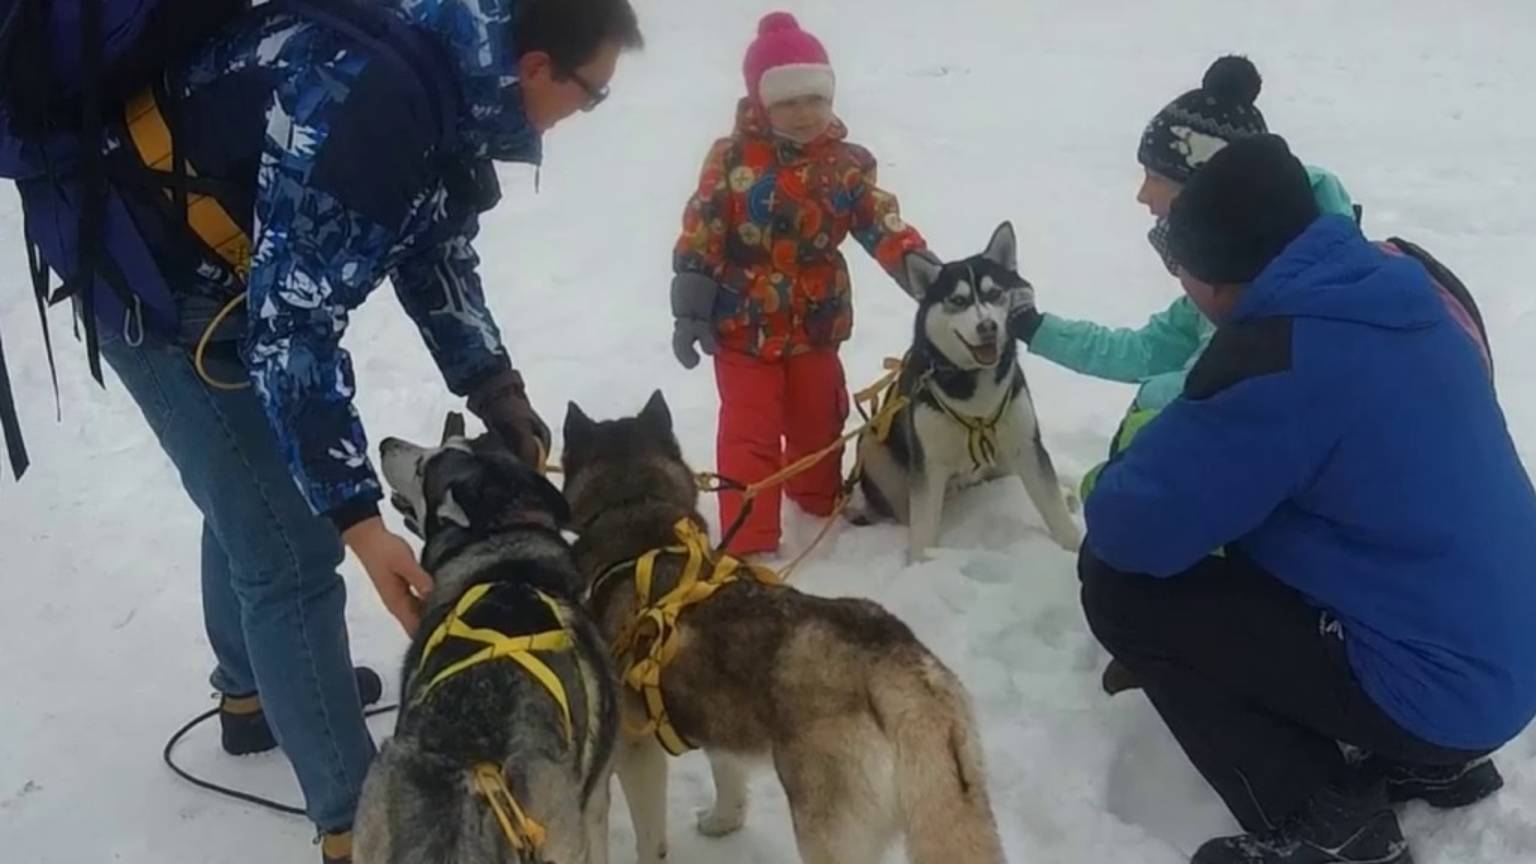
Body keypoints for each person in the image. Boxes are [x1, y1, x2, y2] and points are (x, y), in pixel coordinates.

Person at [15, 0, 641, 860]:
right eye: (594, 93)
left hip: (223, 253)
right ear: (536, 67)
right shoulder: (377, 102)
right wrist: (359, 519)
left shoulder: (450, 65)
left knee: (256, 479)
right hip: (151, 281)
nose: (588, 111)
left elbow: (431, 238)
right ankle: (354, 818)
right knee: (292, 548)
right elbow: (292, 329)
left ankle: (253, 693)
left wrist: (495, 386)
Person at [1079, 134, 1536, 864]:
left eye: (1177, 262)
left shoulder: (1274, 358)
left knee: (1116, 586)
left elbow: (1131, 530)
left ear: (1219, 277)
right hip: (1505, 658)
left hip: (1437, 689)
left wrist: (1118, 469)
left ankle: (1324, 823)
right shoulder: (1397, 287)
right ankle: (1432, 762)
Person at [1011, 56, 1354, 490]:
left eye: (1156, 177)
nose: (1141, 195)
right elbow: (1143, 351)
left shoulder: (1289, 317)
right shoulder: (1226, 284)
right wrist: (1037, 328)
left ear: (1207, 195)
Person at [668, 11, 927, 557]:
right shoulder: (731, 158)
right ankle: (750, 535)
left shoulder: (847, 164)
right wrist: (691, 300)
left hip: (816, 320)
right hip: (741, 324)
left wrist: (922, 272)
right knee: (749, 434)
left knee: (820, 418)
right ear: (761, 103)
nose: (805, 113)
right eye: (788, 101)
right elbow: (704, 224)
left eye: (816, 99)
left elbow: (880, 221)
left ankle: (818, 505)